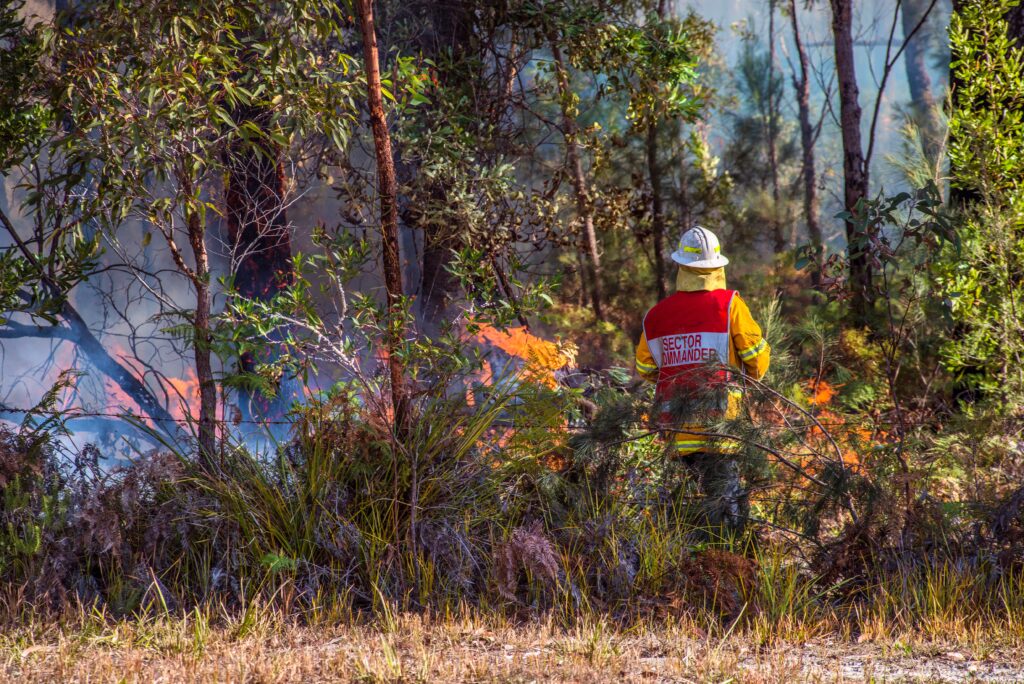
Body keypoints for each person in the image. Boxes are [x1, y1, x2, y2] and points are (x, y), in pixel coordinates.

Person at [634, 226, 770, 535]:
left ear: (681, 265)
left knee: (686, 508)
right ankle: (727, 555)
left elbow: (645, 367)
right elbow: (756, 358)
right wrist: (746, 377)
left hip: (677, 431)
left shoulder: (656, 316)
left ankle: (688, 557)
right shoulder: (729, 305)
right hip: (721, 427)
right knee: (727, 506)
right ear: (718, 266)